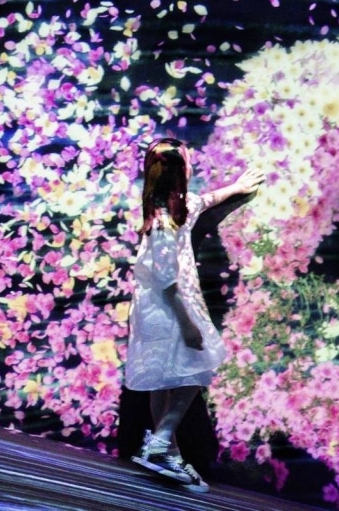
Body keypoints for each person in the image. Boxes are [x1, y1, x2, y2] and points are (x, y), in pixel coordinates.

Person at [125, 137, 264, 492]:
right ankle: (163, 439)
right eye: (187, 161)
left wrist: (235, 187)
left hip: (155, 308)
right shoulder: (164, 222)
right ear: (180, 171)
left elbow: (205, 201)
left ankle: (165, 451)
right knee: (199, 365)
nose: (192, 165)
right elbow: (165, 278)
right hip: (169, 307)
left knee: (163, 379)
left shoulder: (174, 208)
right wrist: (187, 323)